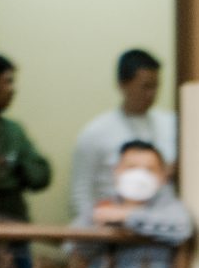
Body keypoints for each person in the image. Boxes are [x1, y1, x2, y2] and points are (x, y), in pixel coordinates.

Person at [70, 49, 177, 226]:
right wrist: (93, 227)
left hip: (160, 224)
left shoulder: (172, 124)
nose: (151, 94)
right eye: (145, 86)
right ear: (122, 85)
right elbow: (80, 193)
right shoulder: (95, 133)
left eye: (156, 86)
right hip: (109, 227)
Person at [0, 54, 51, 224]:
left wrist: (14, 166)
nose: (12, 89)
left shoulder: (13, 130)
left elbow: (40, 176)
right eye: (7, 81)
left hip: (14, 225)